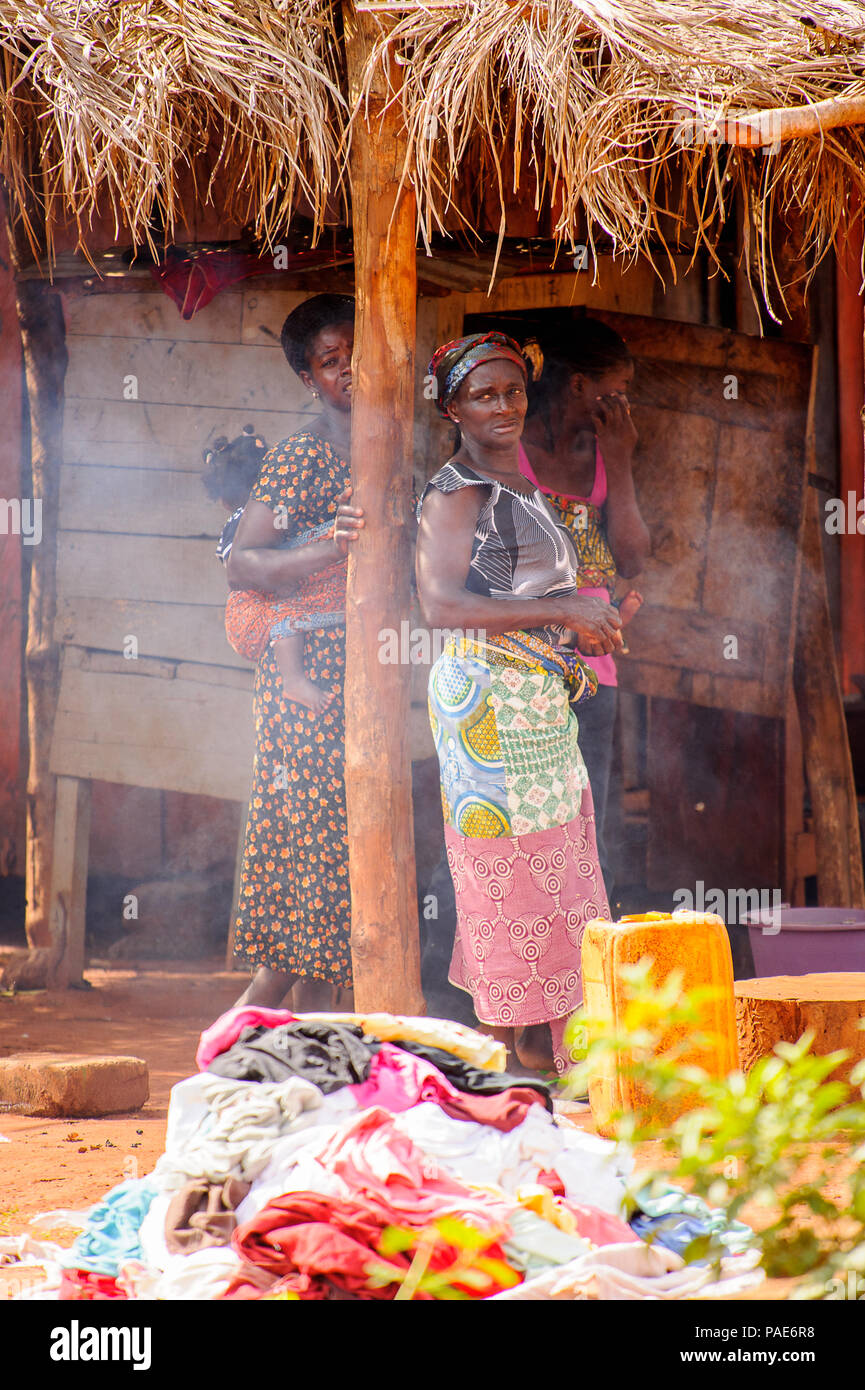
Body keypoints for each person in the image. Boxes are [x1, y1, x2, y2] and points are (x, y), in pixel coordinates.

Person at [415, 330, 623, 1074]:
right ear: (453, 409)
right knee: (510, 870)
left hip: (531, 697)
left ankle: (538, 1048)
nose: (502, 406)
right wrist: (564, 611)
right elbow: (438, 604)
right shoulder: (457, 490)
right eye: (482, 395)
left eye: (511, 391)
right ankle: (521, 1053)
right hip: (489, 700)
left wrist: (575, 631)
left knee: (556, 867)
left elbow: (527, 595)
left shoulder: (522, 484)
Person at [225, 293, 364, 1010]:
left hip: (356, 681)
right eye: (331, 362)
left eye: (358, 353)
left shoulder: (385, 445)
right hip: (303, 684)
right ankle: (235, 1053)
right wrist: (326, 548)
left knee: (340, 860)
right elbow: (242, 564)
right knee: (312, 858)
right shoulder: (302, 455)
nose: (350, 371)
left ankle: (306, 1059)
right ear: (309, 379)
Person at [521, 320, 651, 896]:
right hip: (524, 656)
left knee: (587, 817)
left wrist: (620, 462)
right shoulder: (507, 446)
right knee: (526, 818)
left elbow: (632, 560)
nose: (622, 403)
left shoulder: (605, 452)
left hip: (595, 663)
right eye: (615, 388)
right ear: (578, 385)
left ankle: (583, 962)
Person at [204, 428, 343, 715]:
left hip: (270, 597)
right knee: (286, 618)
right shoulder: (241, 521)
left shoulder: (260, 516)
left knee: (289, 612)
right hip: (254, 606)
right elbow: (240, 569)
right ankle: (293, 681)